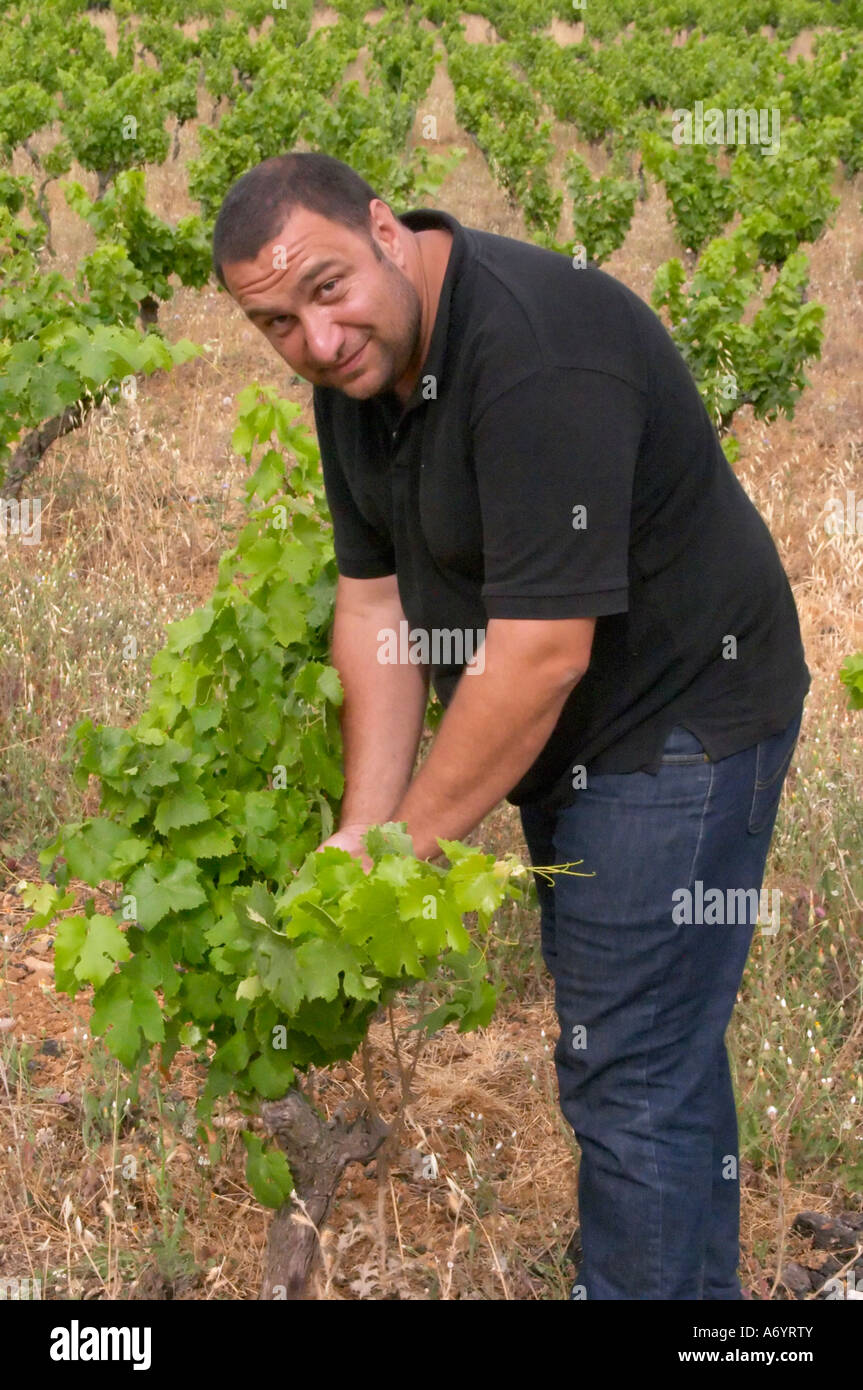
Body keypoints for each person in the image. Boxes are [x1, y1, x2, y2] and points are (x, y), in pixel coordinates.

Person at [213, 151, 810, 1300]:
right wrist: (361, 829)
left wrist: (404, 856)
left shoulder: (534, 356)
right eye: (277, 323)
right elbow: (375, 608)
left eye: (326, 289)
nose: (317, 340)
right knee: (646, 1051)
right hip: (574, 730)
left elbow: (538, 656)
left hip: (674, 721)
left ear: (385, 229)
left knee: (630, 1073)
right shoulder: (360, 379)